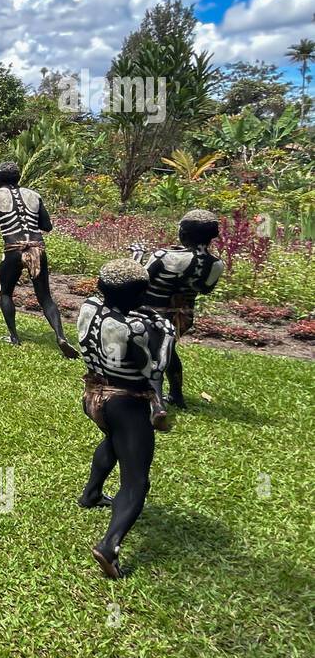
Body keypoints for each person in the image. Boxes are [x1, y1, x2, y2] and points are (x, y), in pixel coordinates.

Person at [76, 258, 176, 579]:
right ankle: (109, 546)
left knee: (113, 442)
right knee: (136, 482)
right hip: (125, 403)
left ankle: (91, 494)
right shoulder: (137, 328)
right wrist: (163, 331)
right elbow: (154, 368)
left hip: (93, 396)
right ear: (138, 296)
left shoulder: (90, 306)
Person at [0, 161, 78, 358]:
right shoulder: (34, 195)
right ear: (18, 178)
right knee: (45, 298)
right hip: (37, 249)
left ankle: (14, 337)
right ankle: (61, 336)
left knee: (6, 293)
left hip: (13, 250)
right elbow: (47, 226)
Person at [140, 209, 224, 408]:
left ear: (183, 234)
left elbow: (140, 280)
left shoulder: (165, 256)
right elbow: (205, 289)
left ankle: (154, 398)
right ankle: (176, 394)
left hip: (149, 314)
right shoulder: (216, 264)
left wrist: (136, 257)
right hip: (182, 318)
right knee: (167, 349)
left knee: (154, 353)